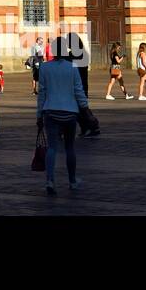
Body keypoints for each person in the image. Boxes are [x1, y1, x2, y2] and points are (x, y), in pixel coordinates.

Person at [37, 36, 90, 195]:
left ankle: (50, 180)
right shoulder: (72, 67)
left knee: (52, 148)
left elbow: (42, 94)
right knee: (69, 148)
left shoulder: (45, 68)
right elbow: (79, 92)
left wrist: (39, 115)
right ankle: (72, 181)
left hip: (51, 111)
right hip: (70, 113)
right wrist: (86, 110)